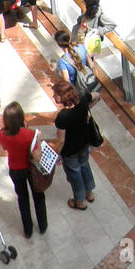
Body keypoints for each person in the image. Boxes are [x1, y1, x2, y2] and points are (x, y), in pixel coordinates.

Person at [0, 101, 48, 238]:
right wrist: (37, 139)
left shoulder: (3, 134)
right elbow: (37, 157)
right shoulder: (30, 134)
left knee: (23, 199)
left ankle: (28, 230)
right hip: (30, 170)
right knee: (38, 196)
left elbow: (4, 147)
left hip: (15, 169)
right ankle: (43, 225)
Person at [52, 82, 97, 211]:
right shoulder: (83, 101)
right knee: (85, 165)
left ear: (63, 96)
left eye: (56, 94)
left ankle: (80, 200)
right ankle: (89, 193)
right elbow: (97, 96)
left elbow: (60, 141)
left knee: (75, 173)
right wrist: (88, 110)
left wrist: (57, 155)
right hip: (84, 143)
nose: (54, 97)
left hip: (70, 151)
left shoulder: (62, 117)